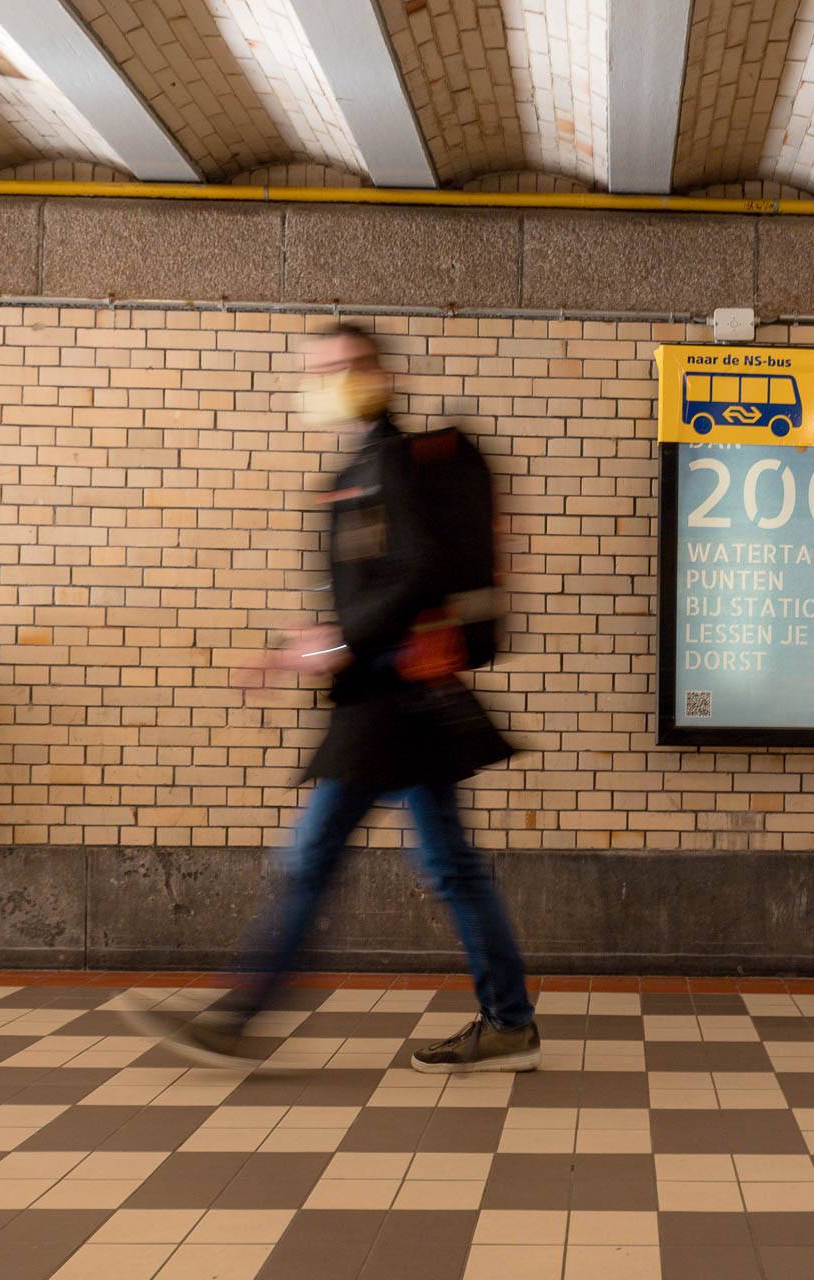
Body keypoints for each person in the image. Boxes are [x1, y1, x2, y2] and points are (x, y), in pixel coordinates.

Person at [125, 321, 538, 1075]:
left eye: (343, 367)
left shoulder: (387, 462)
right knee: (447, 867)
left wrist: (341, 643)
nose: (329, 380)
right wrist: (303, 648)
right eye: (319, 369)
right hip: (401, 701)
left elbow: (418, 569)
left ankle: (237, 1018)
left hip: (388, 703)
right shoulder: (363, 465)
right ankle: (509, 1023)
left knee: (314, 858)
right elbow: (388, 580)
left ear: (380, 375)